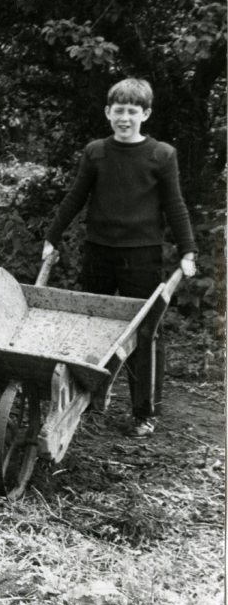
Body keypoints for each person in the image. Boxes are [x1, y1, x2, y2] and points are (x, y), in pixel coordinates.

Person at [43, 78, 197, 439]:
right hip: (98, 251)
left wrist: (188, 250)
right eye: (119, 110)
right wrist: (52, 237)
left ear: (145, 114)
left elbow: (175, 205)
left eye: (132, 111)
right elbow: (76, 196)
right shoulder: (96, 152)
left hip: (142, 256)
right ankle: (85, 399)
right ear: (107, 112)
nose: (124, 118)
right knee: (90, 325)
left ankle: (144, 412)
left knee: (144, 333)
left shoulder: (161, 155)